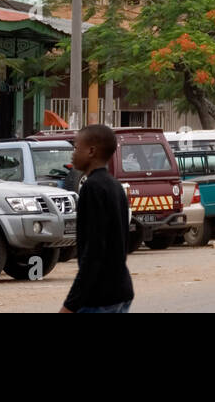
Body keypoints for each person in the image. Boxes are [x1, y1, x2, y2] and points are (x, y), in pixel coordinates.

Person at [61, 124, 134, 313]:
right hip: (120, 291)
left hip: (99, 298)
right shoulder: (115, 185)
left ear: (91, 151)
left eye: (77, 148)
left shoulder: (92, 188)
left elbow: (94, 252)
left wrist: (70, 305)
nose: (73, 154)